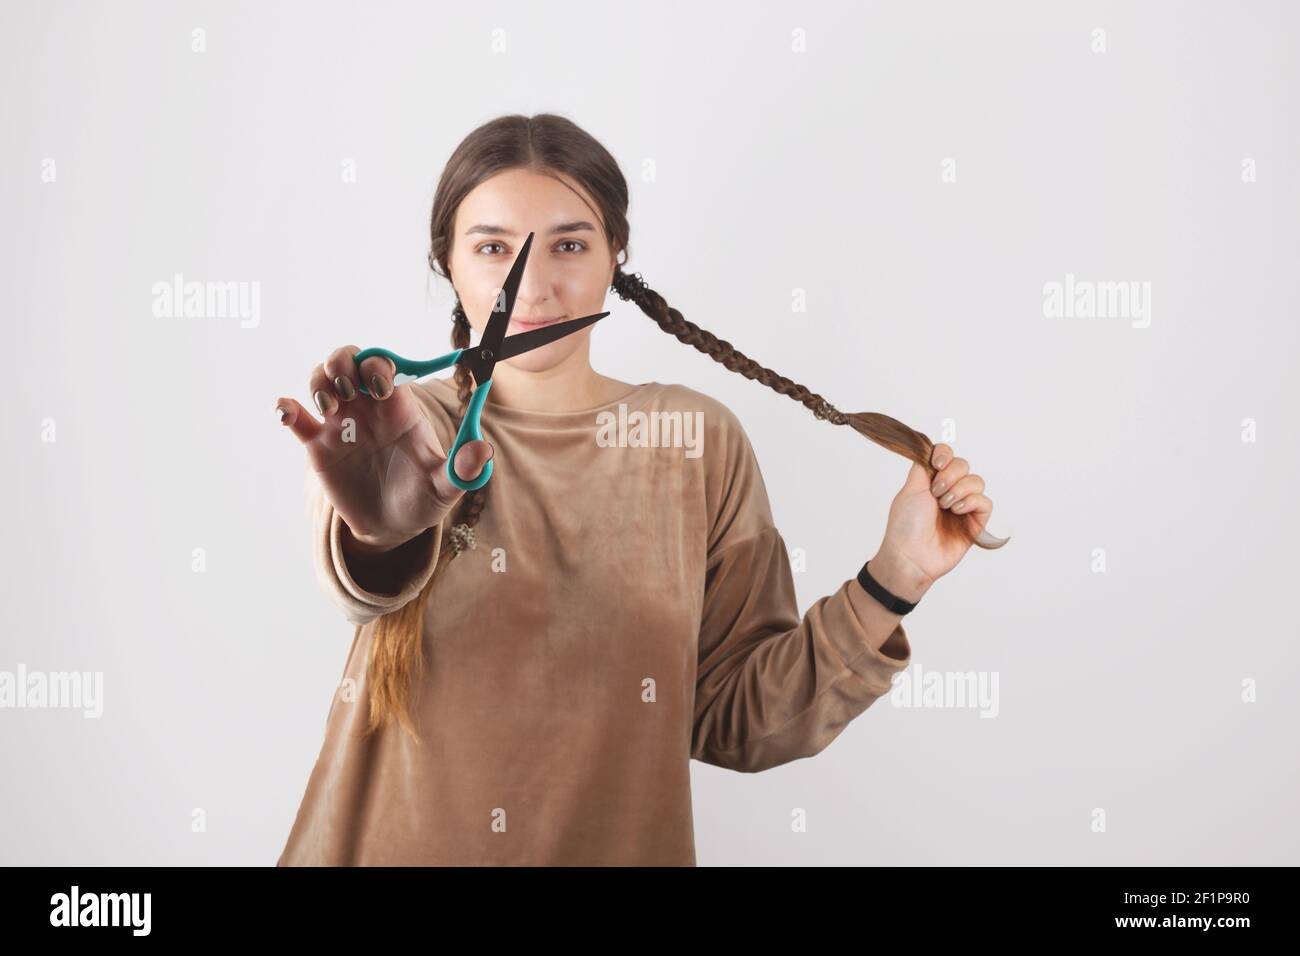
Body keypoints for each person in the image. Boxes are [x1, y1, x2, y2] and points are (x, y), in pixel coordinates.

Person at [273, 113, 1002, 866]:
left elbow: (739, 721)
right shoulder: (402, 430)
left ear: (615, 256)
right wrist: (381, 535)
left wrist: (895, 578)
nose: (537, 281)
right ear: (447, 261)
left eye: (570, 244)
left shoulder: (694, 440)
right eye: (493, 246)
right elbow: (358, 580)